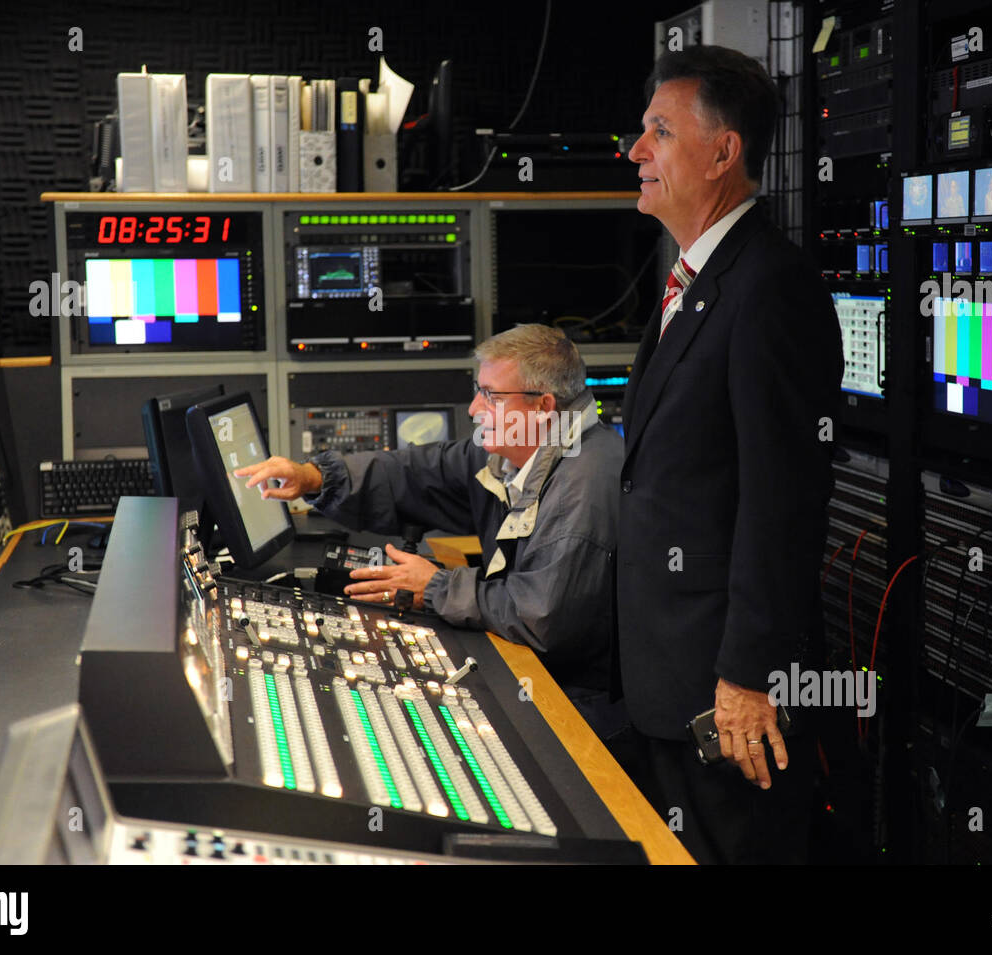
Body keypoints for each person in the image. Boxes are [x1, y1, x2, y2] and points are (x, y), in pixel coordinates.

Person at [616, 45, 844, 863]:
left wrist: (749, 679)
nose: (636, 151)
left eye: (659, 131)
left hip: (725, 699)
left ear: (723, 151)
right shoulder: (692, 279)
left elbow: (783, 505)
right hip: (668, 684)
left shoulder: (771, 288)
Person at [235, 324, 627, 736]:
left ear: (543, 406)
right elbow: (422, 474)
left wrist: (436, 587)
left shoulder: (581, 491)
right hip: (542, 676)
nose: (475, 409)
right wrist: (316, 477)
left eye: (491, 396)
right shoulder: (521, 452)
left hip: (578, 706)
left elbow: (540, 618)